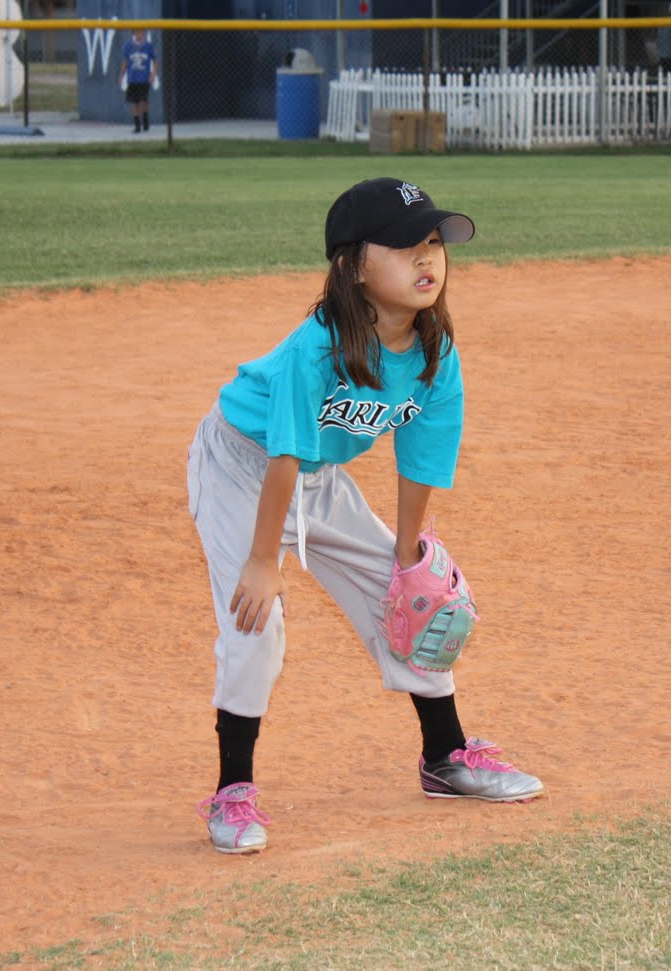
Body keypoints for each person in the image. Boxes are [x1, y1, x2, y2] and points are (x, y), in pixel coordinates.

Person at [186, 177, 543, 855]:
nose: (428, 257)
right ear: (353, 265)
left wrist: (407, 553)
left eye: (435, 242)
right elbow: (283, 453)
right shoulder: (314, 349)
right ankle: (234, 788)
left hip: (315, 476)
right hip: (241, 464)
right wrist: (265, 561)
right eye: (407, 244)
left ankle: (445, 755)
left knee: (413, 596)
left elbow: (422, 458)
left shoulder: (436, 354)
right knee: (256, 619)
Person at [118, 28, 158, 133]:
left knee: (144, 100)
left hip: (144, 78)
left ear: (144, 33)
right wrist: (121, 75)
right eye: (137, 32)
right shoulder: (128, 46)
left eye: (141, 32)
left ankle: (145, 121)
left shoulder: (148, 46)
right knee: (135, 102)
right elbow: (125, 62)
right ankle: (137, 125)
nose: (139, 34)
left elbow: (155, 60)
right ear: (133, 33)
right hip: (133, 78)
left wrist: (153, 74)